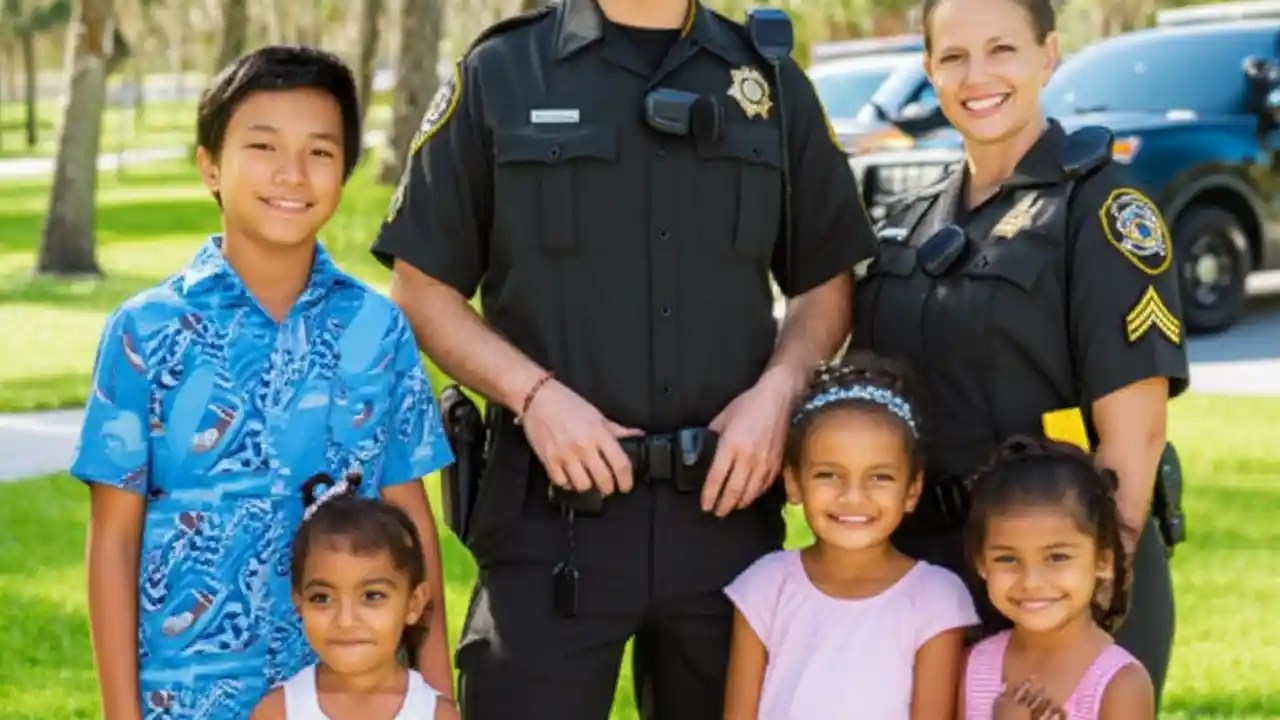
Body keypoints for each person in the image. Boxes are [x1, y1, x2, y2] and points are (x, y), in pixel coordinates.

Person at [370, 0, 877, 716]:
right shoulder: (503, 71)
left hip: (725, 517)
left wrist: (782, 390)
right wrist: (535, 395)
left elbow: (825, 281)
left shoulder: (766, 77)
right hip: (550, 518)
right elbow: (421, 290)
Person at [71, 46, 455, 720]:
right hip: (185, 698)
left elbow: (412, 525)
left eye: (320, 152)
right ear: (210, 165)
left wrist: (433, 698)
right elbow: (114, 539)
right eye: (262, 146)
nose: (291, 174)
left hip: (346, 701)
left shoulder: (378, 331)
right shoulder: (145, 333)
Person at [848, 0, 1189, 703]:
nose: (978, 76)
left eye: (1003, 49)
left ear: (1049, 55)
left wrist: (1086, 604)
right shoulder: (907, 225)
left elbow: (1135, 435)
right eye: (953, 57)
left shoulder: (1100, 210)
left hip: (1059, 578)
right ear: (928, 72)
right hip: (935, 579)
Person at [722, 353, 979, 719]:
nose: (853, 496)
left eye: (880, 477)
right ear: (793, 482)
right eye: (829, 474)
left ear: (912, 489)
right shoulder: (766, 586)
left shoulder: (935, 597)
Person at [960, 437, 1154, 719]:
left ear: (1103, 561)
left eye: (1057, 557)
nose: (1032, 582)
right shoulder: (974, 665)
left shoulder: (1121, 684)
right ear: (982, 564)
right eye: (1007, 559)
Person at [250, 473, 460, 720]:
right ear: (299, 602)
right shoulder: (278, 711)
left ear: (413, 603)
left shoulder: (434, 714)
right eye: (322, 598)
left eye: (372, 596)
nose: (346, 621)